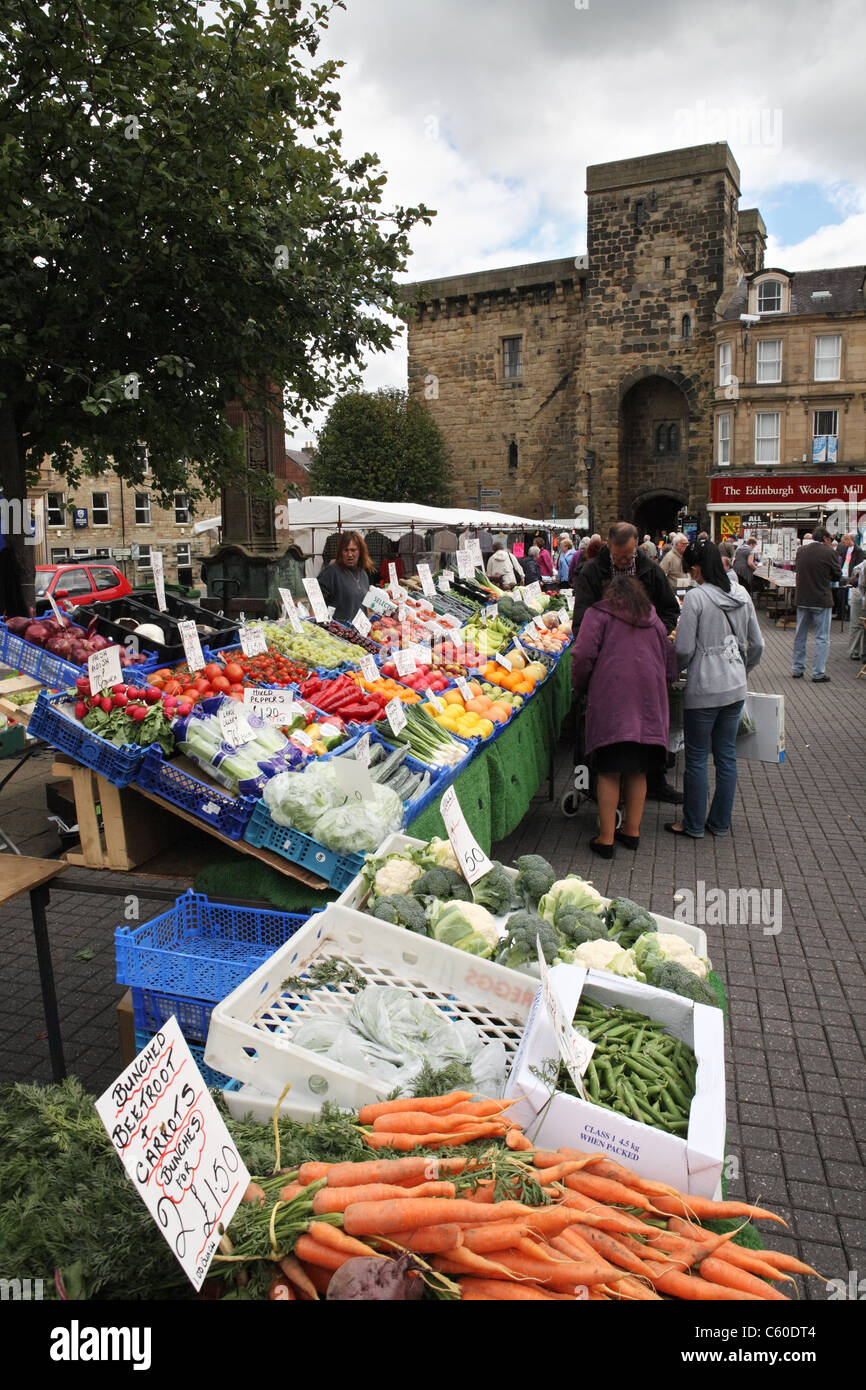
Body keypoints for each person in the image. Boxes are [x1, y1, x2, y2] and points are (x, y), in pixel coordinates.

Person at [571, 574, 680, 857]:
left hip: (613, 703)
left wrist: (580, 684)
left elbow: (582, 655)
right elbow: (670, 662)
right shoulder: (654, 620)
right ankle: (631, 831)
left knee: (608, 771)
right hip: (648, 706)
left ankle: (605, 839)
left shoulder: (599, 615)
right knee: (637, 770)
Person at [667, 539, 764, 839]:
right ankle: (720, 823)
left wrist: (675, 671)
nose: (692, 575)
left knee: (696, 757)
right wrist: (741, 669)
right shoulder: (742, 594)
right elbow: (757, 644)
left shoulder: (697, 598)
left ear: (697, 568)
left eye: (692, 570)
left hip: (704, 687)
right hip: (735, 687)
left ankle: (693, 824)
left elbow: (683, 648)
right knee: (726, 756)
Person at [572, 522, 680, 634]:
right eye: (617, 557)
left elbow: (670, 610)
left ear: (636, 544)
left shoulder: (652, 570)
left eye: (628, 557)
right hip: (605, 646)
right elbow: (581, 618)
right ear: (609, 546)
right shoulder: (591, 571)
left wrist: (655, 635)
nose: (623, 562)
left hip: (644, 645)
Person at [792, 526, 842, 682]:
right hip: (821, 599)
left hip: (803, 598)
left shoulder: (801, 551)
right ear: (826, 538)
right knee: (822, 638)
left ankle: (797, 668)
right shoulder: (830, 553)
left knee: (800, 635)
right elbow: (837, 576)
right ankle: (818, 673)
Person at [316, 530, 371, 623]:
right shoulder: (331, 572)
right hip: (338, 633)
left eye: (353, 550)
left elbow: (365, 606)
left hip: (359, 635)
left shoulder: (363, 574)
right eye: (346, 550)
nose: (350, 554)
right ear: (340, 552)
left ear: (360, 551)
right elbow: (316, 602)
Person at [835, 533, 865, 621]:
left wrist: (853, 576)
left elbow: (859, 564)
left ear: (849, 540)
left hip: (851, 576)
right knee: (840, 594)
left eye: (844, 542)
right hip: (843, 573)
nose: (843, 544)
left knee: (849, 595)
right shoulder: (845, 549)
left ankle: (848, 615)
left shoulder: (858, 550)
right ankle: (840, 613)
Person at [848, 557, 866, 661]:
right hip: (860, 596)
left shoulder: (862, 564)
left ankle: (856, 651)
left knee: (858, 625)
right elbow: (862, 585)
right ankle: (855, 651)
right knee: (858, 625)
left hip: (858, 595)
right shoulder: (863, 565)